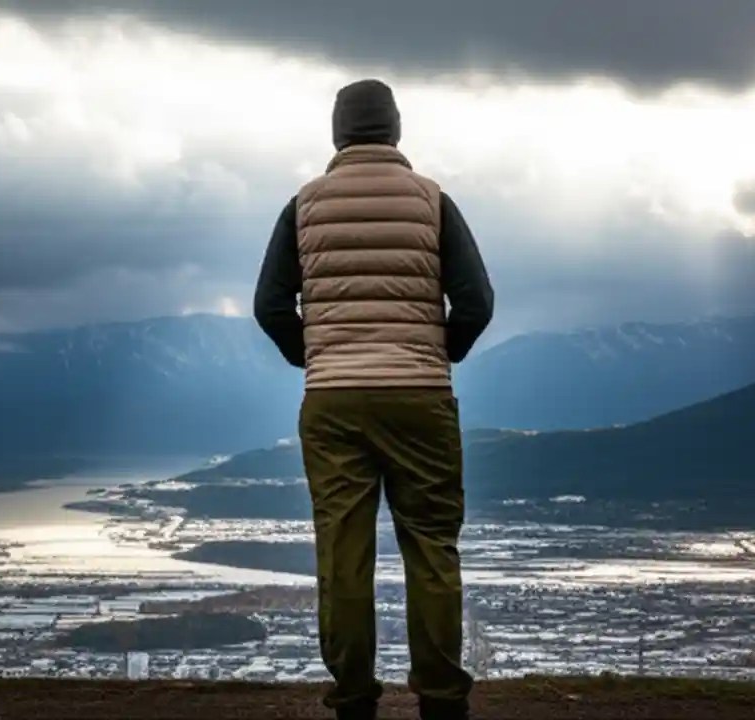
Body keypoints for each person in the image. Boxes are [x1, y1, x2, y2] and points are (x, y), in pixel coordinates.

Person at [254, 79, 495, 720]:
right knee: (432, 547)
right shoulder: (432, 201)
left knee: (343, 551)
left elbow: (268, 306)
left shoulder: (302, 206)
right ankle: (442, 697)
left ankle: (354, 698)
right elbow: (477, 302)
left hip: (333, 402)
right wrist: (440, 353)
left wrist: (317, 356)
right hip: (420, 397)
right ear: (394, 130)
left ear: (337, 133)